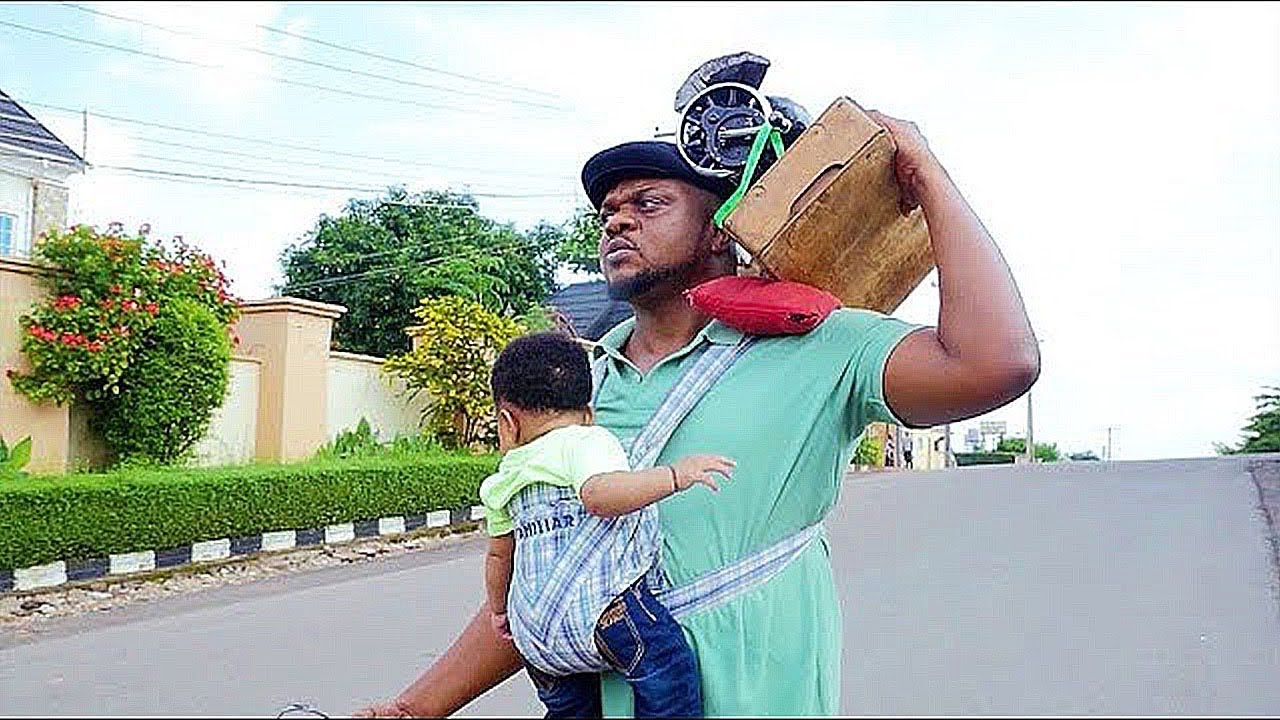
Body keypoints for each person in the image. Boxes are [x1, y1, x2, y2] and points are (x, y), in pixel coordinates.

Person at [356, 108, 1040, 717]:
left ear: (722, 228)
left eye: (648, 203)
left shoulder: (820, 346)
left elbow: (997, 362)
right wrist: (412, 710)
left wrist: (924, 175)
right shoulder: (577, 387)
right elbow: (550, 588)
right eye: (608, 212)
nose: (616, 220)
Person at [481, 330, 733, 718]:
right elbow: (600, 495)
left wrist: (500, 611)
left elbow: (500, 556)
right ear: (587, 412)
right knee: (668, 671)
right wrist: (674, 477)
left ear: (507, 422)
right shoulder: (587, 440)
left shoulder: (503, 479)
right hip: (602, 614)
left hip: (534, 633)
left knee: (569, 708)